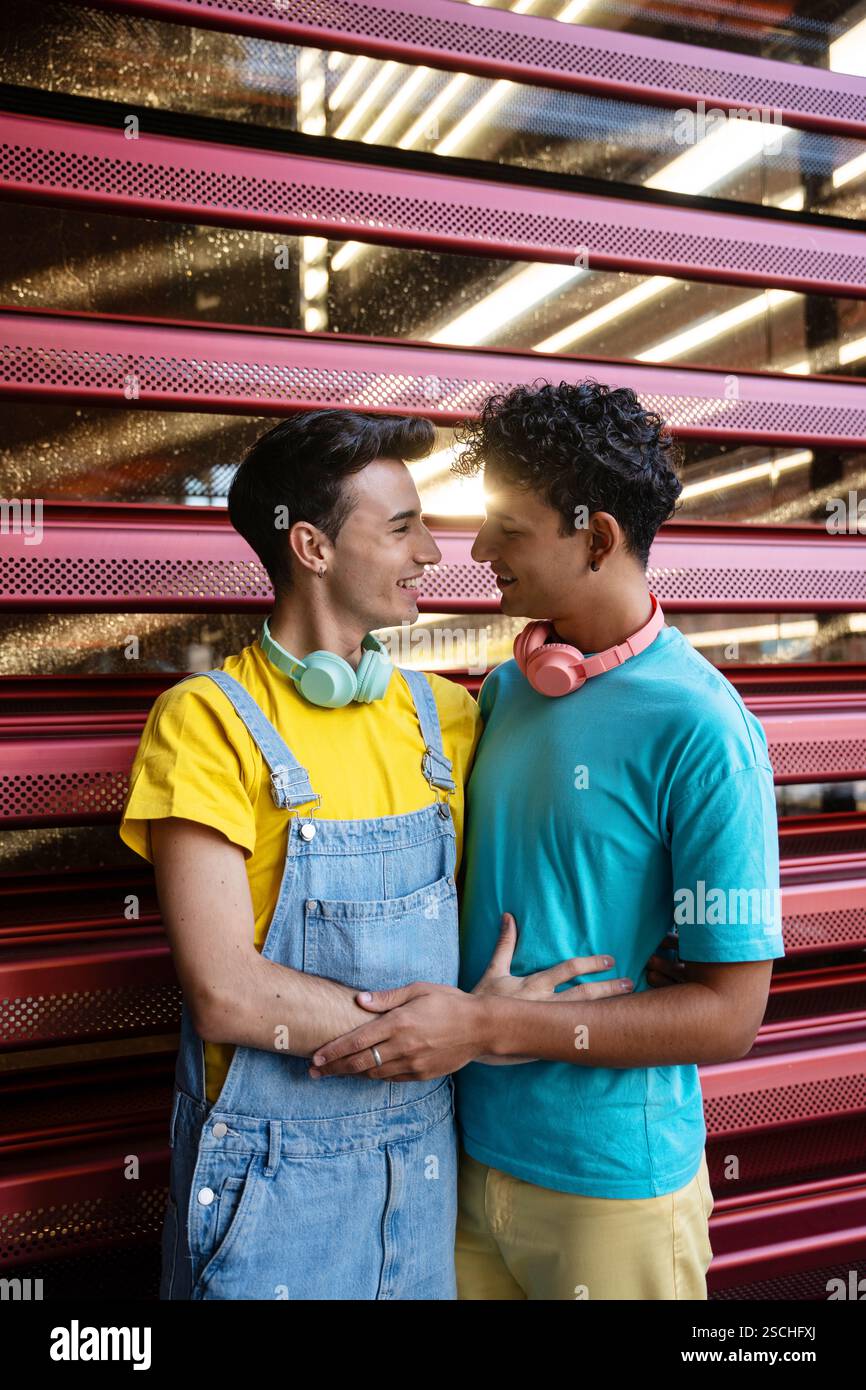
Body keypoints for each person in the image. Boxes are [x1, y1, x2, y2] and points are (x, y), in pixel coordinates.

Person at [118, 407, 633, 1300]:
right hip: (268, 1187)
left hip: (425, 1175)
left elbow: (557, 858)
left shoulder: (454, 719)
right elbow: (226, 992)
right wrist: (455, 1030)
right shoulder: (205, 722)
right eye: (403, 529)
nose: (435, 553)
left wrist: (656, 939)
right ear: (311, 548)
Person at [309, 380, 786, 1301]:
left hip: (611, 1194)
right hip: (464, 1160)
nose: (477, 551)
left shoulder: (704, 730)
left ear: (597, 538)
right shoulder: (513, 688)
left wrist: (488, 1025)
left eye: (510, 530)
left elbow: (732, 1016)